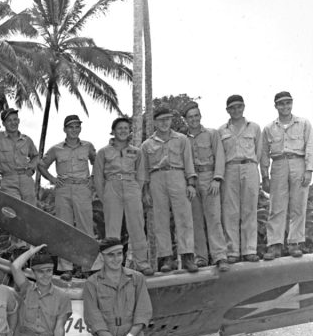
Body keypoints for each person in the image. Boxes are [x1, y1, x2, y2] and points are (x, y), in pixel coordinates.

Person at [139, 107, 198, 273]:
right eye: (161, 120)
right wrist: (145, 191)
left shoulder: (182, 139)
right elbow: (144, 170)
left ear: (171, 120)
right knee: (160, 220)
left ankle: (187, 256)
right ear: (155, 122)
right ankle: (166, 258)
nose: (164, 123)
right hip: (156, 178)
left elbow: (188, 162)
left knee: (184, 217)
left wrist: (191, 183)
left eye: (167, 119)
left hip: (177, 175)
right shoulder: (147, 145)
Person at [92, 117, 152, 275]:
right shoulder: (103, 152)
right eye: (119, 128)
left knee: (137, 226)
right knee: (112, 230)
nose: (123, 131)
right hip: (111, 187)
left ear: (129, 131)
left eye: (126, 128)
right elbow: (97, 177)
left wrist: (136, 190)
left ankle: (142, 263)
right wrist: (104, 196)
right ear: (113, 131)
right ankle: (113, 266)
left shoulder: (136, 151)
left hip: (131, 186)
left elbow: (141, 174)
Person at [40, 115, 96, 280]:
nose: (74, 130)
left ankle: (88, 267)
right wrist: (52, 179)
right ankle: (66, 269)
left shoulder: (88, 146)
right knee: (64, 228)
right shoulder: (56, 149)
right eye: (71, 127)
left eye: (77, 126)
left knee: (86, 228)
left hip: (82, 188)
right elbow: (42, 165)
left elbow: (97, 163)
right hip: (63, 190)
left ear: (80, 128)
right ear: (65, 129)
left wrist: (93, 179)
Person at [260, 91, 313, 260]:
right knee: (276, 206)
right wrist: (265, 176)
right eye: (281, 103)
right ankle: (274, 245)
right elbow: (264, 153)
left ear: (292, 103)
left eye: (288, 103)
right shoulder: (269, 128)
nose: (285, 106)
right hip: (278, 164)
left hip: (298, 163)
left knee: (298, 205)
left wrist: (309, 170)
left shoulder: (304, 123)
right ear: (276, 106)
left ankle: (295, 243)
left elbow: (310, 147)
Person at [183, 104, 229, 271]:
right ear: (185, 120)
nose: (194, 119)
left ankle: (220, 256)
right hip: (191, 181)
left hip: (209, 178)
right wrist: (189, 183)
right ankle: (200, 257)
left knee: (214, 218)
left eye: (196, 115)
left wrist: (217, 179)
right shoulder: (182, 139)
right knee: (195, 220)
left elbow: (220, 156)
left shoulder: (212, 134)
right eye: (190, 117)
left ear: (200, 116)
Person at [218, 95, 263, 263]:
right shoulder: (221, 130)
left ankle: (249, 250)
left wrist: (253, 165)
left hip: (249, 166)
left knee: (249, 209)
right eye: (232, 107)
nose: (236, 110)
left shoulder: (254, 127)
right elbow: (220, 154)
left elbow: (259, 151)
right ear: (227, 110)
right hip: (230, 169)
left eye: (239, 106)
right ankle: (233, 251)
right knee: (230, 211)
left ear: (243, 107)